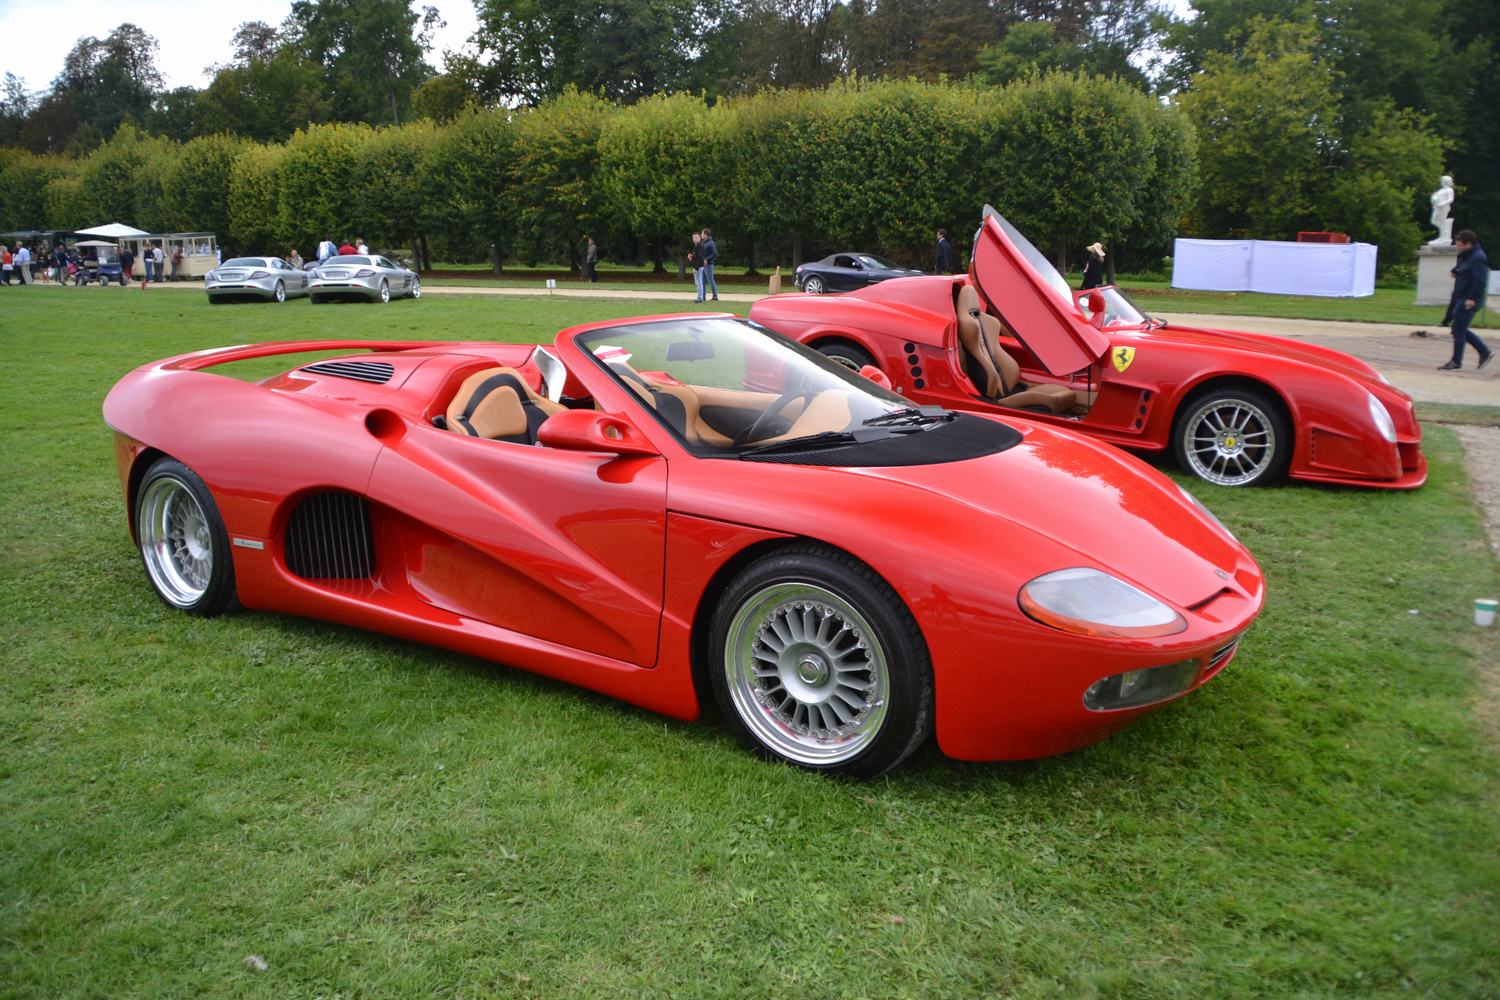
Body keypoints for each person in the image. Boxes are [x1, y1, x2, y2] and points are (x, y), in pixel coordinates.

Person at [1438, 229, 1493, 371]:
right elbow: (1464, 268)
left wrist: (1472, 298)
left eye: (1460, 245)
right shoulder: (1468, 256)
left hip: (1468, 298)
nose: (1458, 248)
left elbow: (1480, 280)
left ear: (1468, 244)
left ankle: (1458, 361)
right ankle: (1484, 352)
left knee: (1458, 328)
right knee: (1459, 328)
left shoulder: (1477, 258)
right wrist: (1456, 271)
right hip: (1462, 296)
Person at [1429, 175, 1455, 246]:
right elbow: (1435, 197)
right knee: (1434, 221)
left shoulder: (1450, 190)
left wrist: (1442, 203)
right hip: (1437, 207)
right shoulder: (1441, 190)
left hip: (1444, 207)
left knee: (1442, 221)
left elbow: (1450, 199)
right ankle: (1443, 236)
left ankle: (1444, 238)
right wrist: (1434, 199)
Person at [699, 227, 719, 301]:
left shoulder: (711, 242)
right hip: (703, 265)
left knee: (711, 281)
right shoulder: (703, 242)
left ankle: (715, 296)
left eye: (702, 233)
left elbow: (715, 254)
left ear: (706, 234)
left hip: (709, 265)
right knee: (702, 281)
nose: (701, 234)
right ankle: (703, 297)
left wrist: (707, 259)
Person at [688, 231, 705, 301]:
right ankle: (699, 297)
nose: (694, 239)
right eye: (693, 237)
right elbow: (696, 257)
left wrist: (696, 268)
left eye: (696, 237)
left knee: (699, 282)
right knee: (697, 282)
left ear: (700, 238)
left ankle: (700, 298)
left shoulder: (700, 246)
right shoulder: (696, 246)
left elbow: (700, 258)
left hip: (699, 267)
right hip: (696, 266)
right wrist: (691, 256)